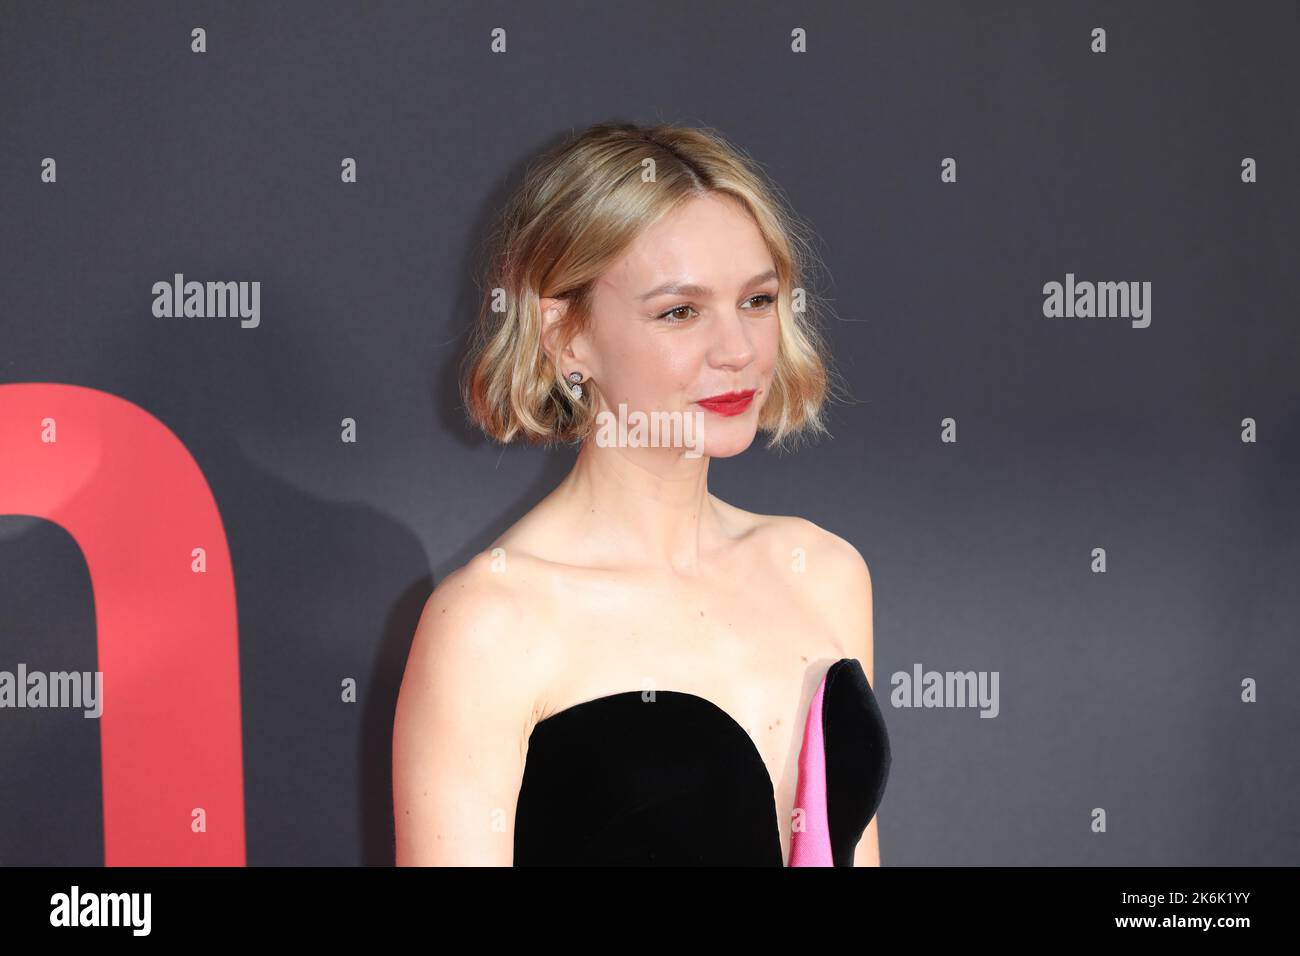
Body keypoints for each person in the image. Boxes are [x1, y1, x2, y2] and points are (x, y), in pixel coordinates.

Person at [392, 121, 890, 866]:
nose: (739, 350)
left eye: (757, 301)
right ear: (566, 337)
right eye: (679, 311)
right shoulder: (492, 624)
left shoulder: (823, 571)